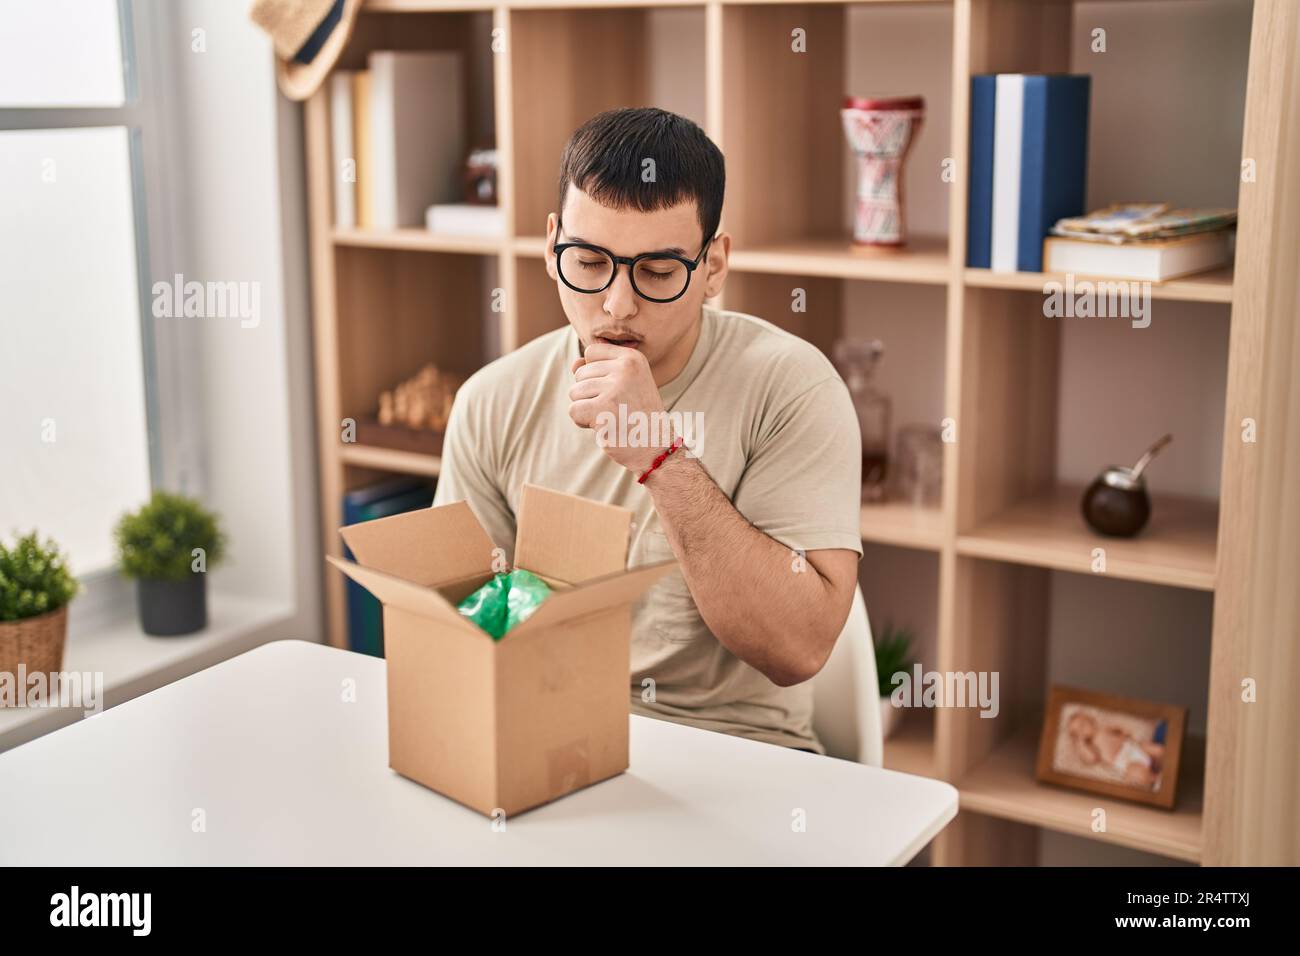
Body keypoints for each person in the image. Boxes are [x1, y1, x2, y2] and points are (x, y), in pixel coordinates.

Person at [434, 107, 863, 754]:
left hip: (738, 747)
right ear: (551, 247)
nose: (617, 304)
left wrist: (660, 458)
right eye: (588, 262)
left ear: (713, 266)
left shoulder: (792, 388)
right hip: (552, 739)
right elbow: (463, 631)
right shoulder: (491, 401)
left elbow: (797, 650)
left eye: (658, 272)